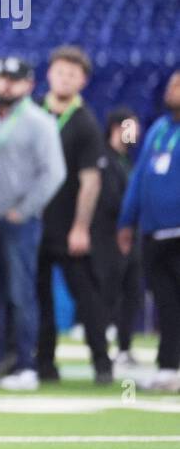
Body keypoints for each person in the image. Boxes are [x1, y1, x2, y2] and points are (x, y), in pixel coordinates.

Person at [0, 57, 65, 390]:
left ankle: (25, 364)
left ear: (29, 85)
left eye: (13, 79)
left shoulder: (40, 122)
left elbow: (54, 173)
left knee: (20, 293)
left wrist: (24, 210)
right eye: (1, 78)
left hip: (18, 223)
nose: (5, 85)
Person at [36, 45, 113, 384]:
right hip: (33, 222)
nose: (65, 78)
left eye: (72, 73)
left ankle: (102, 364)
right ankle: (44, 364)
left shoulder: (85, 123)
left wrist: (80, 227)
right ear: (48, 74)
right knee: (36, 297)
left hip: (69, 225)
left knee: (86, 295)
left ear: (82, 81)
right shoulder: (34, 114)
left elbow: (90, 180)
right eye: (60, 71)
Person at [117, 70, 180, 392]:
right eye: (172, 84)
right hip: (155, 233)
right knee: (166, 303)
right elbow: (139, 178)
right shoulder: (158, 129)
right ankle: (169, 367)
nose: (173, 90)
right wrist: (126, 221)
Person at [95, 107, 144, 369]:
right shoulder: (104, 159)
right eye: (130, 126)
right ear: (116, 128)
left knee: (132, 293)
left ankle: (124, 347)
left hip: (132, 239)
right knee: (107, 294)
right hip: (108, 238)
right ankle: (100, 347)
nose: (135, 132)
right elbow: (110, 201)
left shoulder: (128, 161)